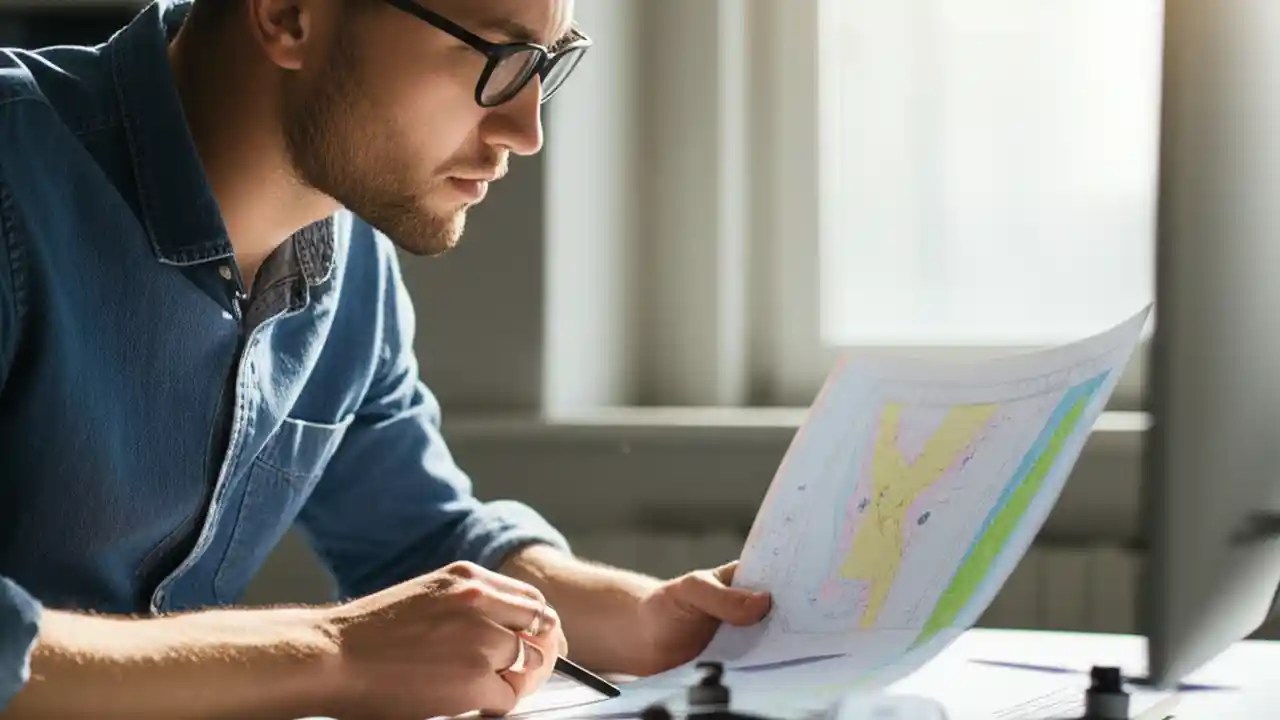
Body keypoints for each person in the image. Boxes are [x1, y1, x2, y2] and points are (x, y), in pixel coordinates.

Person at [0, 0, 772, 717]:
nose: (525, 128)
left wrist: (648, 618)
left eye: (543, 63)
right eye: (496, 56)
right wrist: (332, 653)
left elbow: (419, 539)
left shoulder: (348, 252)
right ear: (290, 15)